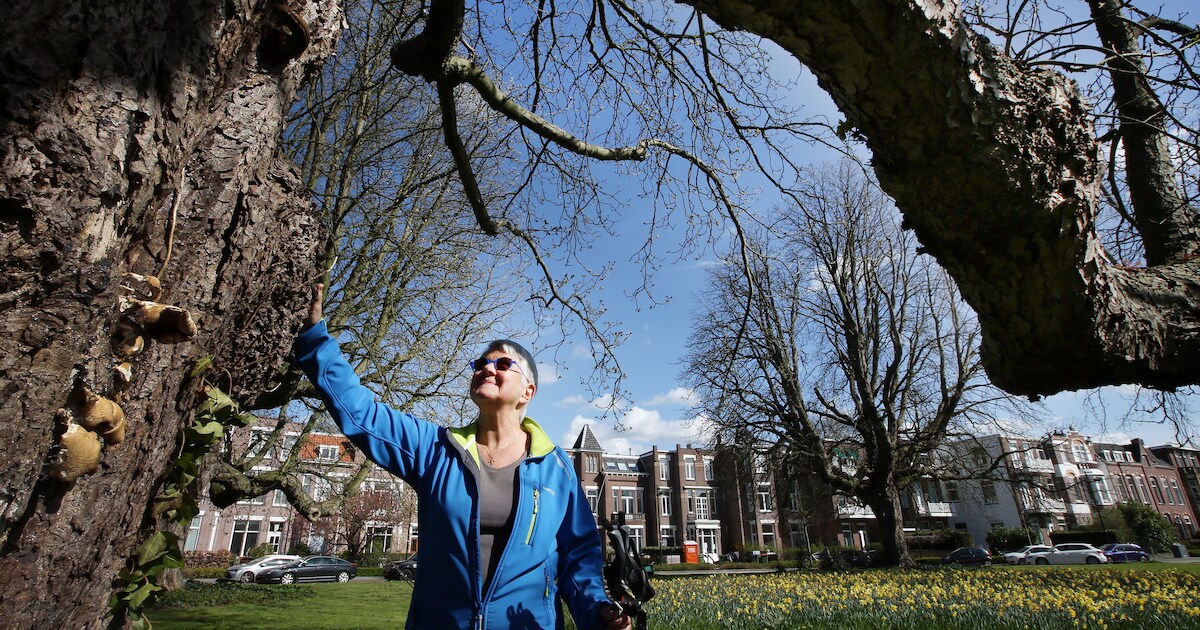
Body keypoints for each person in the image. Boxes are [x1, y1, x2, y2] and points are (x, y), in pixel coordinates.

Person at [293, 284, 631, 630]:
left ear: (528, 391)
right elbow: (362, 414)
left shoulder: (556, 468)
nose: (486, 367)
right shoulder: (435, 449)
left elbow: (579, 558)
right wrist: (316, 338)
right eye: (481, 362)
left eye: (502, 363)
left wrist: (598, 612)